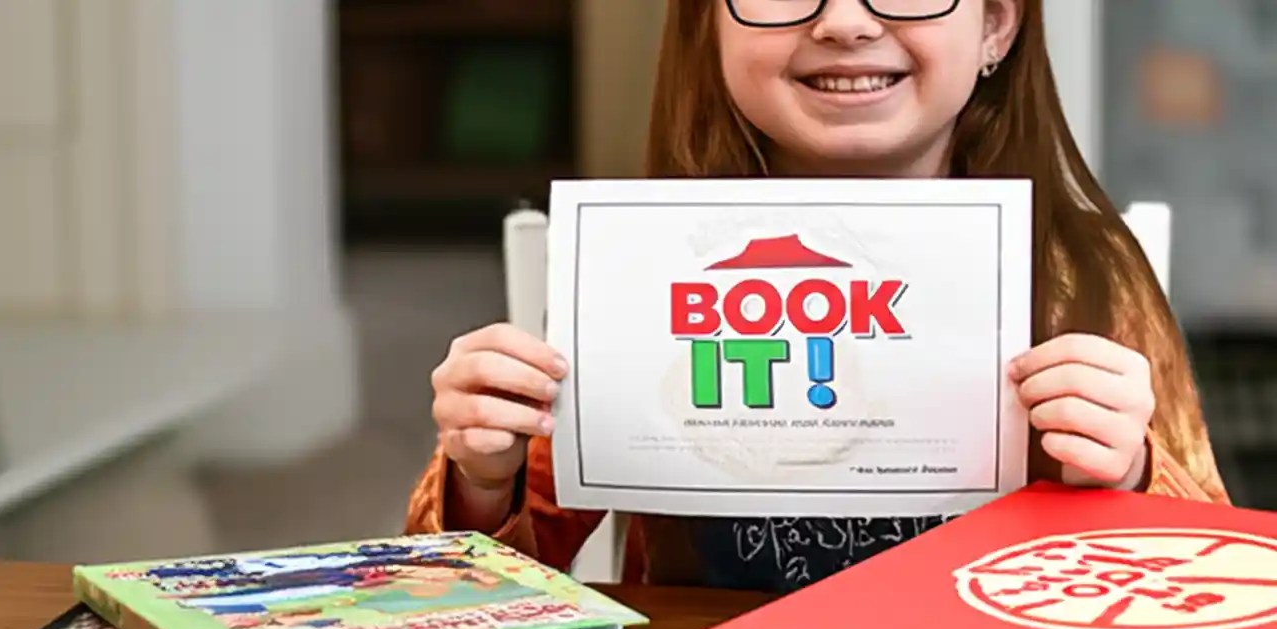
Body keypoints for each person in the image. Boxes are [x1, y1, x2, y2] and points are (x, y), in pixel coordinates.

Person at [407, 0, 1231, 593]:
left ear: (996, 23)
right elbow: (475, 591)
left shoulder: (1082, 271)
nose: (844, 21)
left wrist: (1129, 474)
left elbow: (1215, 580)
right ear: (709, 26)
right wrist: (486, 474)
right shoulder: (640, 271)